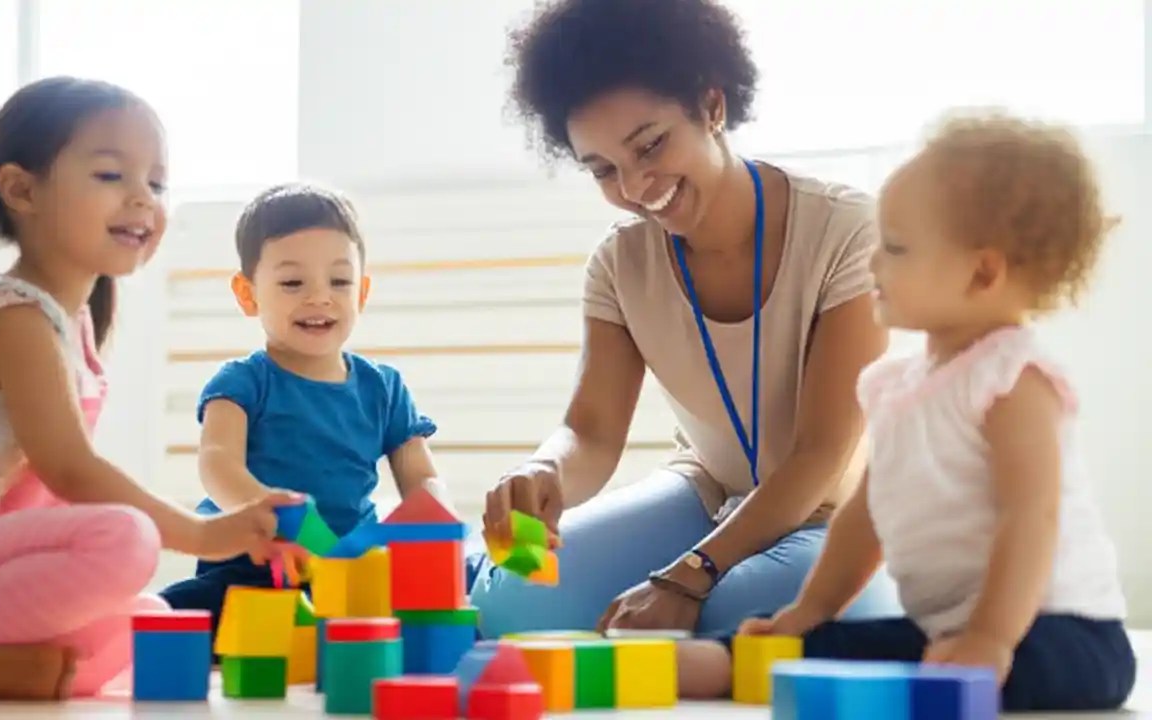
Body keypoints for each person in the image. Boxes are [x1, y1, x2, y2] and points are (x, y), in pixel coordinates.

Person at [675, 111, 1135, 712]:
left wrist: (991, 637)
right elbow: (863, 518)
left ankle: (947, 670)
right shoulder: (895, 388)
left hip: (1061, 633)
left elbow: (1032, 516)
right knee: (837, 647)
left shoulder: (1012, 378)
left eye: (894, 247)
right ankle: (725, 661)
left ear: (983, 272)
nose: (873, 263)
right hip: (944, 633)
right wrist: (810, 611)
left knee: (979, 667)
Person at [470, 0, 901, 637]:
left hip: (833, 511)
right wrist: (542, 471)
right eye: (603, 170)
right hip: (705, 493)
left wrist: (691, 572)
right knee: (510, 596)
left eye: (650, 145)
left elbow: (818, 456)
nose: (635, 187)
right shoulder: (619, 264)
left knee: (741, 611)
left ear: (712, 106)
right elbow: (590, 433)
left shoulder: (848, 231)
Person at [0, 77, 292, 701]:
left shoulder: (68, 325)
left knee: (148, 618)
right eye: (110, 175)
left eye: (156, 183)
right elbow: (70, 470)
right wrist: (204, 535)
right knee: (128, 540)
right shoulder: (17, 320)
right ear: (22, 190)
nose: (142, 199)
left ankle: (4, 667)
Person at [159, 183, 444, 640]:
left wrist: (433, 527)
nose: (319, 297)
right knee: (188, 611)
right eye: (293, 283)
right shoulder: (243, 382)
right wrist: (269, 519)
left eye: (340, 281)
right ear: (248, 294)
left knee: (431, 613)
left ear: (362, 292)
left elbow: (421, 478)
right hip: (256, 563)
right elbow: (217, 465)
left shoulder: (383, 387)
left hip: (348, 568)